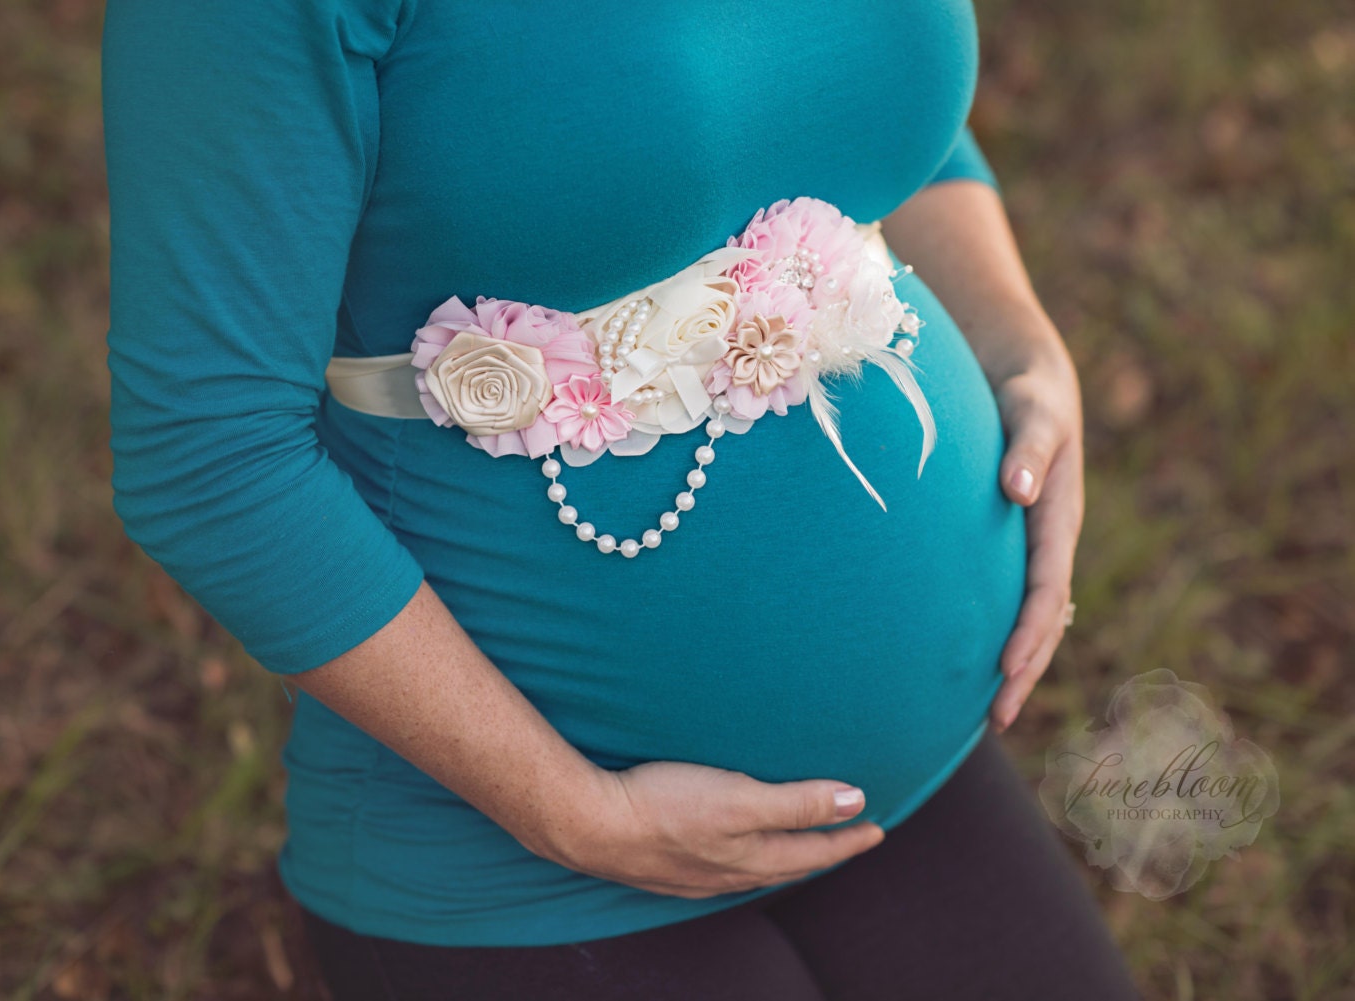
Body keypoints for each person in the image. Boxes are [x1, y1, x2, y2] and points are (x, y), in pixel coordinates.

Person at [100, 0, 1139, 997]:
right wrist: (574, 811)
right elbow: (210, 455)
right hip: (516, 875)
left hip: (915, 778)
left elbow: (863, 97)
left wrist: (1018, 342)